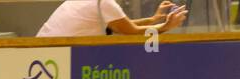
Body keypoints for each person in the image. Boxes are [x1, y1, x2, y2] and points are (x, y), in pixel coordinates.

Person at [38, 0, 187, 37]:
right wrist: (166, 27)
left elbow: (118, 25)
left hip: (43, 50)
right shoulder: (105, 2)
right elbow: (131, 31)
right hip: (52, 55)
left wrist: (153, 19)